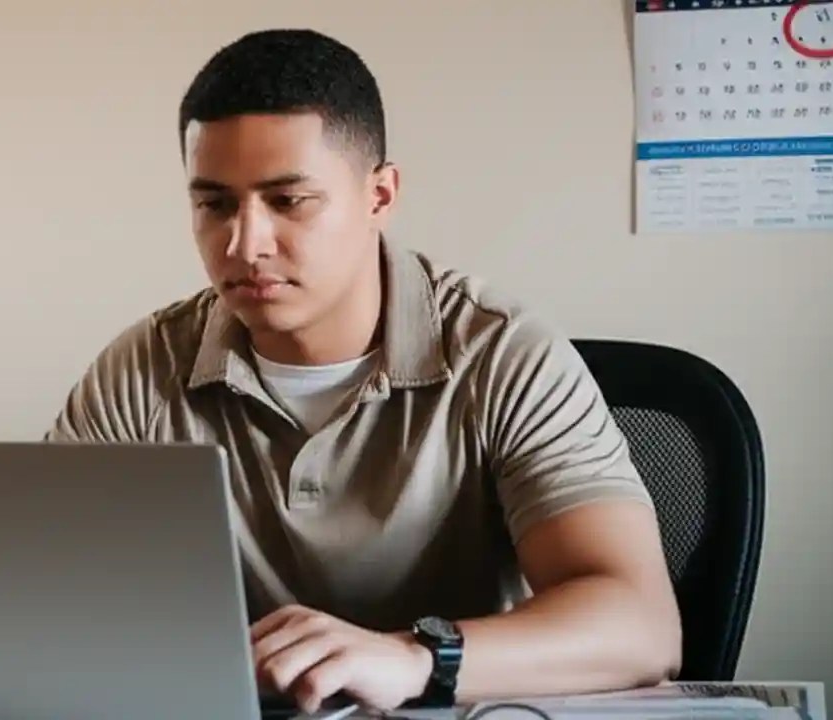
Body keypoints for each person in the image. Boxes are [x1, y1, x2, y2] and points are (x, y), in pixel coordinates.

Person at [46, 28, 682, 714]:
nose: (244, 243)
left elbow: (641, 628)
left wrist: (412, 658)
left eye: (288, 201)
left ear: (379, 196)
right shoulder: (141, 370)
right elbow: (38, 597)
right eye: (215, 204)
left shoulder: (504, 353)